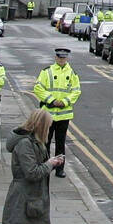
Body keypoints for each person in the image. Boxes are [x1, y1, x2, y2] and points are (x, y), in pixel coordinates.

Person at [34, 46, 81, 177]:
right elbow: (38, 88)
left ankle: (60, 169)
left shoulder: (72, 73)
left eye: (64, 58)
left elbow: (76, 91)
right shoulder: (46, 72)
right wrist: (52, 100)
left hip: (64, 115)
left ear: (67, 58)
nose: (61, 60)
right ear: (55, 58)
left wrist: (64, 101)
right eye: (59, 57)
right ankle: (46, 168)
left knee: (60, 144)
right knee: (45, 142)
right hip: (48, 114)